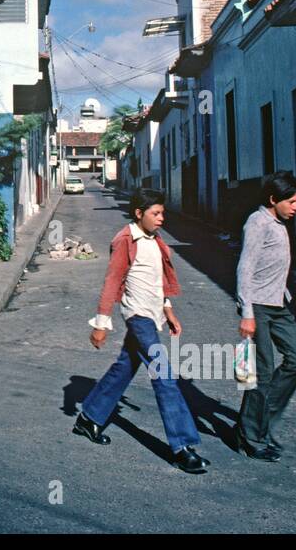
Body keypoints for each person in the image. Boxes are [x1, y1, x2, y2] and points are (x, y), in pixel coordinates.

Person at [73, 188, 209, 474]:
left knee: (125, 367)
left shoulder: (154, 240)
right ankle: (182, 447)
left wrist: (168, 310)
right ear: (139, 214)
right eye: (155, 213)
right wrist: (100, 324)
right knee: (165, 376)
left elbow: (155, 281)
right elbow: (112, 282)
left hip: (151, 314)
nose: (161, 219)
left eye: (162, 214)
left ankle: (89, 418)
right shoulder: (125, 240)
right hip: (137, 317)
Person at [234, 171, 296, 463]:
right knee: (261, 373)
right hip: (259, 308)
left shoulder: (279, 222)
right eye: (291, 201)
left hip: (279, 305)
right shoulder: (257, 222)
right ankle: (250, 437)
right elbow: (245, 267)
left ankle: (259, 422)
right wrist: (247, 313)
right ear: (273, 200)